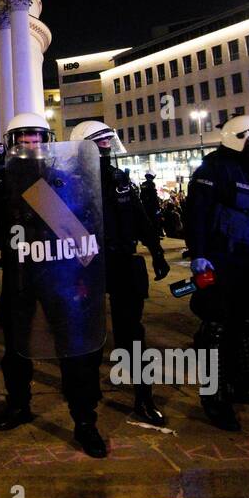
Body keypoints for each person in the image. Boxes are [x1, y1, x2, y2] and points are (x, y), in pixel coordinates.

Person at [0, 113, 110, 457]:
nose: (31, 143)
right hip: (20, 276)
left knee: (72, 348)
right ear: (12, 142)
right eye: (23, 137)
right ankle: (19, 405)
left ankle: (85, 421)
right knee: (15, 346)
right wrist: (14, 243)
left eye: (37, 137)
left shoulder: (63, 179)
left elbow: (85, 222)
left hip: (60, 275)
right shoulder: (0, 185)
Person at [183, 114, 249, 430]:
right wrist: (199, 255)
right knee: (215, 329)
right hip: (220, 260)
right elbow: (196, 216)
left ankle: (241, 385)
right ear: (240, 138)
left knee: (243, 326)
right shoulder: (213, 170)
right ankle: (213, 397)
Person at [69, 120, 171, 427]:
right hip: (89, 263)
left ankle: (143, 397)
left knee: (132, 333)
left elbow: (139, 217)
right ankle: (87, 395)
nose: (106, 146)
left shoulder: (118, 177)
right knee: (89, 333)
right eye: (99, 141)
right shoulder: (71, 181)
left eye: (107, 141)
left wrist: (157, 251)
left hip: (124, 260)